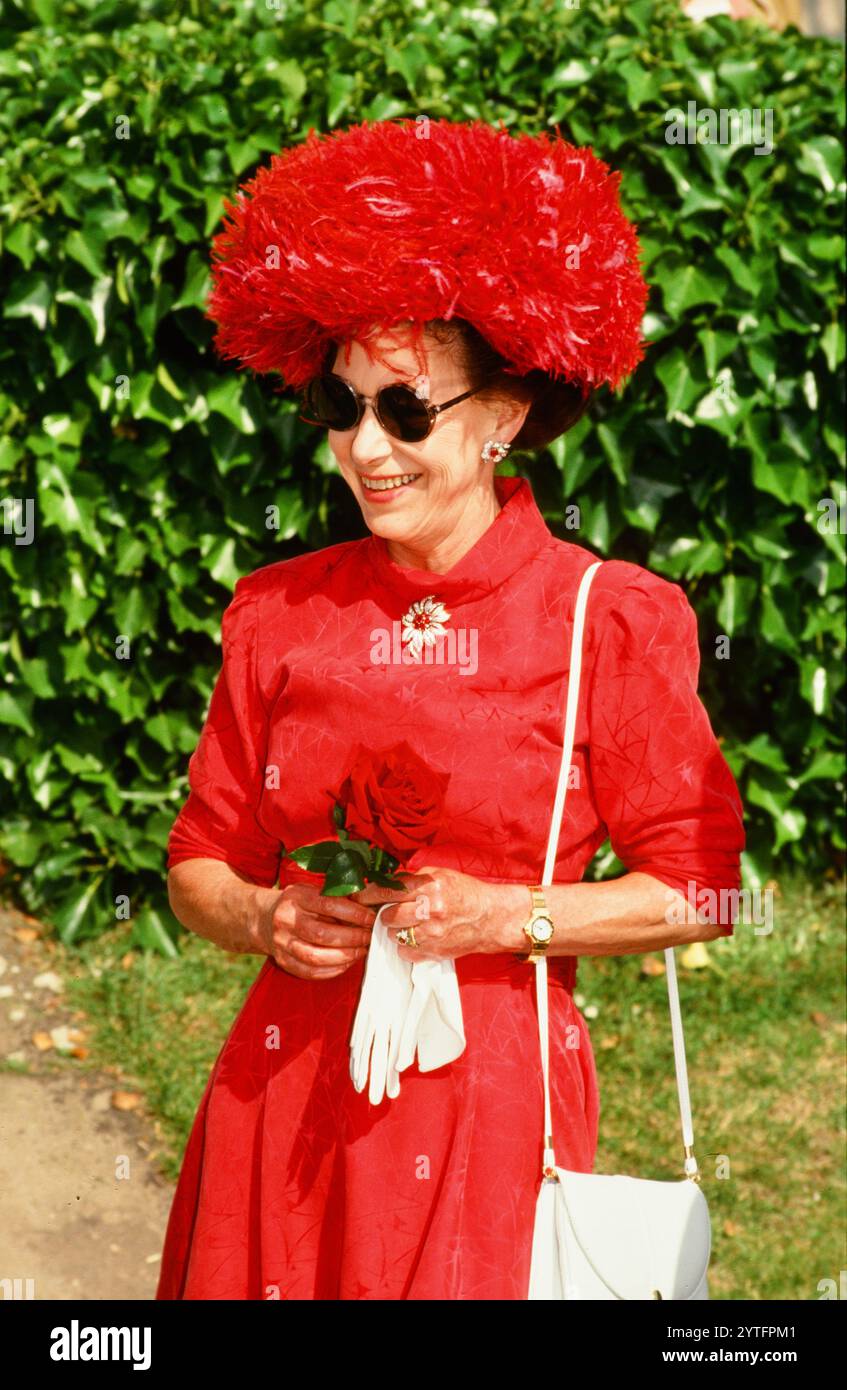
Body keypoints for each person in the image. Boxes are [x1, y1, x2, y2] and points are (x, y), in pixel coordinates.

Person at [155, 118, 745, 1301]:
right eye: (339, 404)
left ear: (502, 418)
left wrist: (502, 917)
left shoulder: (603, 619)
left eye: (408, 411)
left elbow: (702, 892)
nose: (365, 447)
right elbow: (197, 861)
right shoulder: (279, 610)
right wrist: (265, 915)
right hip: (282, 1097)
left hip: (489, 1110)